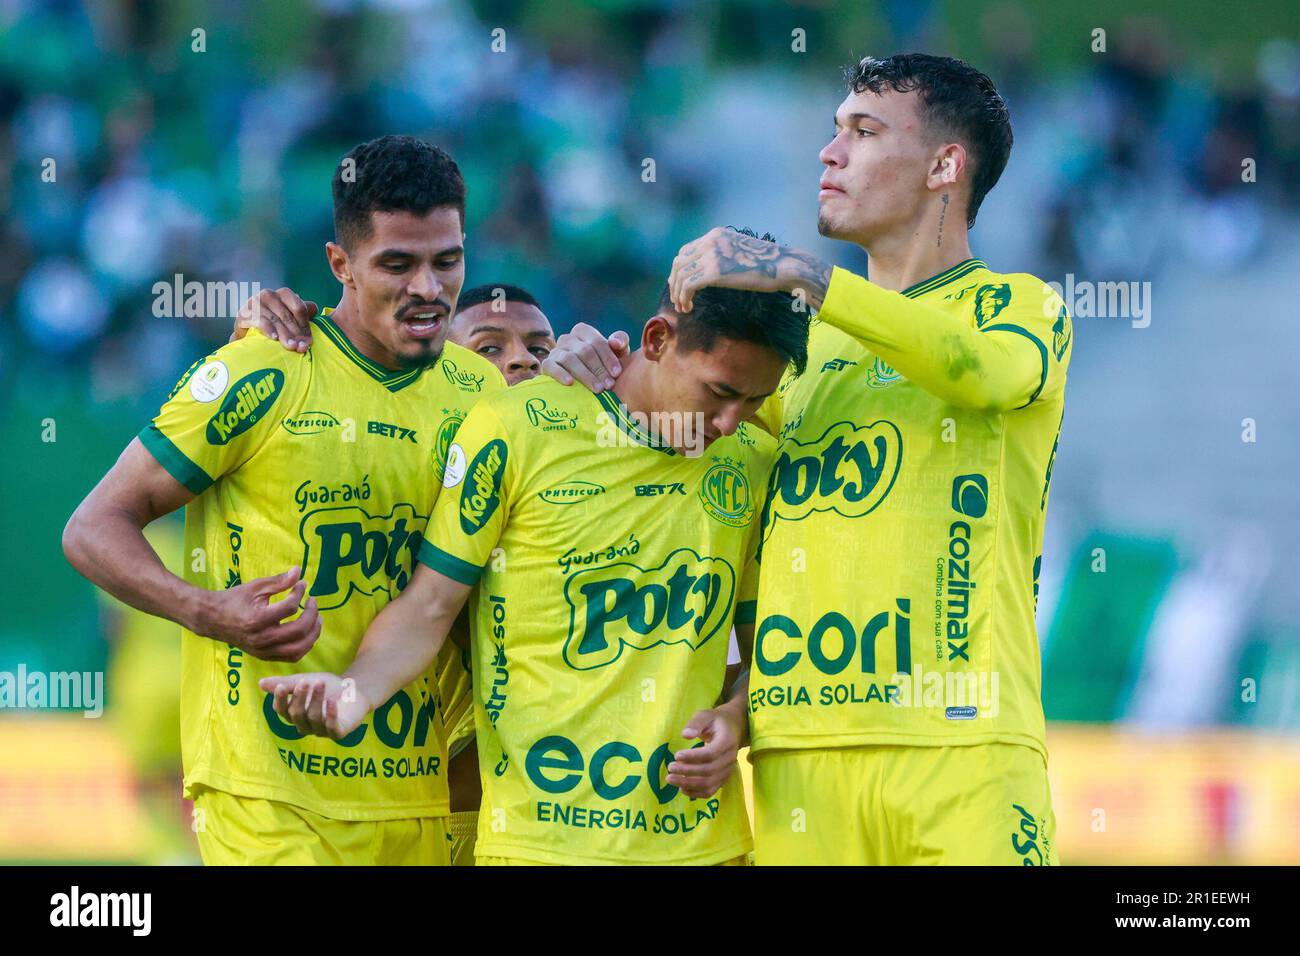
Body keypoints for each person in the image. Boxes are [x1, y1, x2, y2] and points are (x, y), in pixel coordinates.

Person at [545, 54, 1071, 865]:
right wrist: (580, 369)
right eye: (833, 131)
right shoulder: (793, 356)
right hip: (798, 764)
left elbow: (983, 371)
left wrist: (805, 276)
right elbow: (670, 444)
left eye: (862, 131)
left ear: (944, 165)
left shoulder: (1017, 307)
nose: (829, 153)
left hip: (961, 751)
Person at [261, 258, 810, 864]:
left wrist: (737, 718)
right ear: (657, 339)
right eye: (721, 393)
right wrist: (351, 694)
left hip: (708, 848)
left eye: (755, 400)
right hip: (539, 843)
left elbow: (765, 646)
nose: (733, 421)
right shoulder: (515, 429)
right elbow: (429, 606)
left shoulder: (755, 460)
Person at [63, 134, 505, 865]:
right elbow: (92, 527)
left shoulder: (483, 396)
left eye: (446, 261)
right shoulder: (264, 371)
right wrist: (208, 611)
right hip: (267, 794)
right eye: (397, 264)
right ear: (341, 265)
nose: (428, 288)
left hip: (417, 795)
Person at [231, 281, 555, 865]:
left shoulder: (566, 479)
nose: (522, 361)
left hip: (559, 819)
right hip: (437, 802)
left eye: (541, 348)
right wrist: (249, 341)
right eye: (487, 349)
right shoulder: (412, 488)